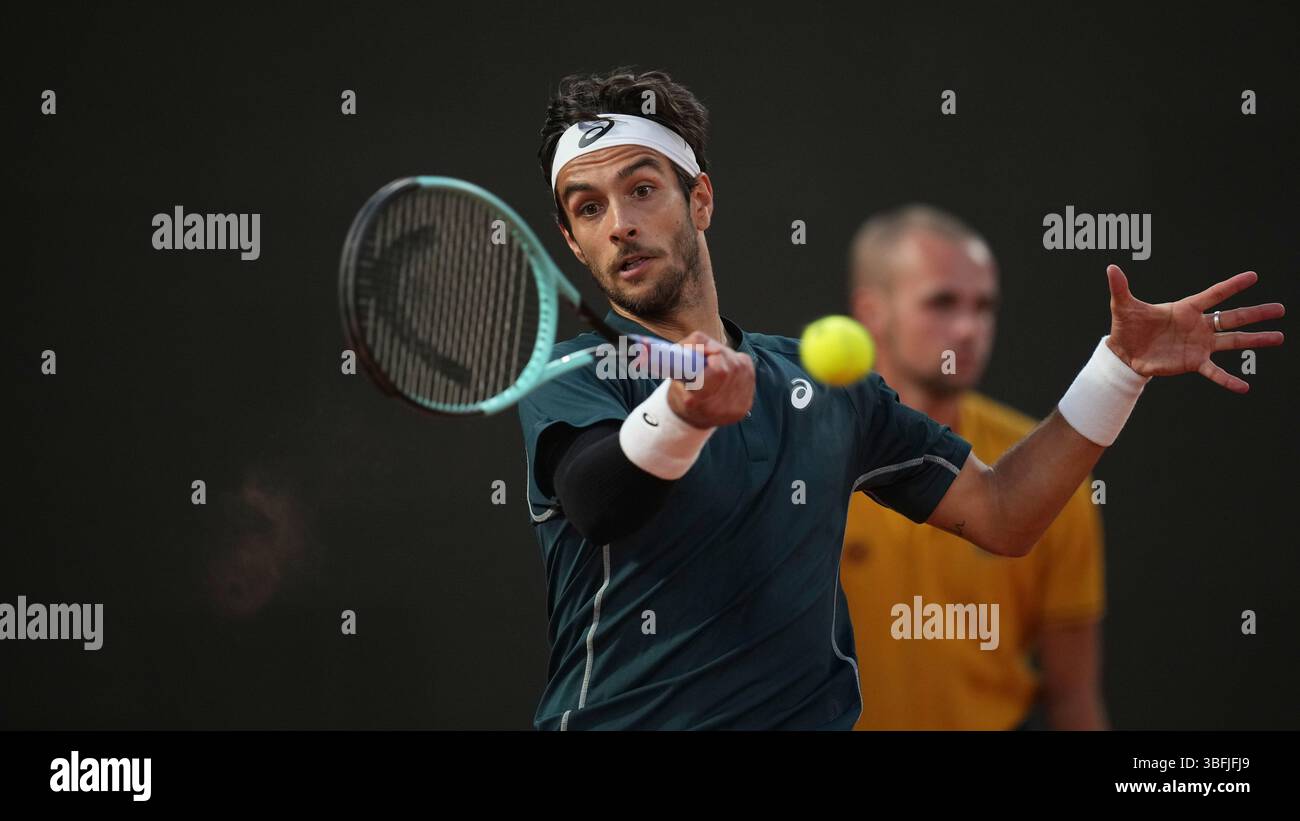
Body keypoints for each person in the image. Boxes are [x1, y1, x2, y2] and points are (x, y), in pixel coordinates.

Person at [516, 67, 1285, 730]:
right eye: (588, 208)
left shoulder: (824, 389)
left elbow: (1004, 514)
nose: (620, 224)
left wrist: (1119, 368)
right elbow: (599, 499)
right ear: (572, 240)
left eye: (642, 189)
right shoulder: (574, 373)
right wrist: (681, 415)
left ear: (702, 200)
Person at [842, 205, 1105, 730]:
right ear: (871, 311)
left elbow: (1074, 697)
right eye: (942, 302)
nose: (968, 328)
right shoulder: (801, 450)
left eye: (984, 306)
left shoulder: (1050, 469)